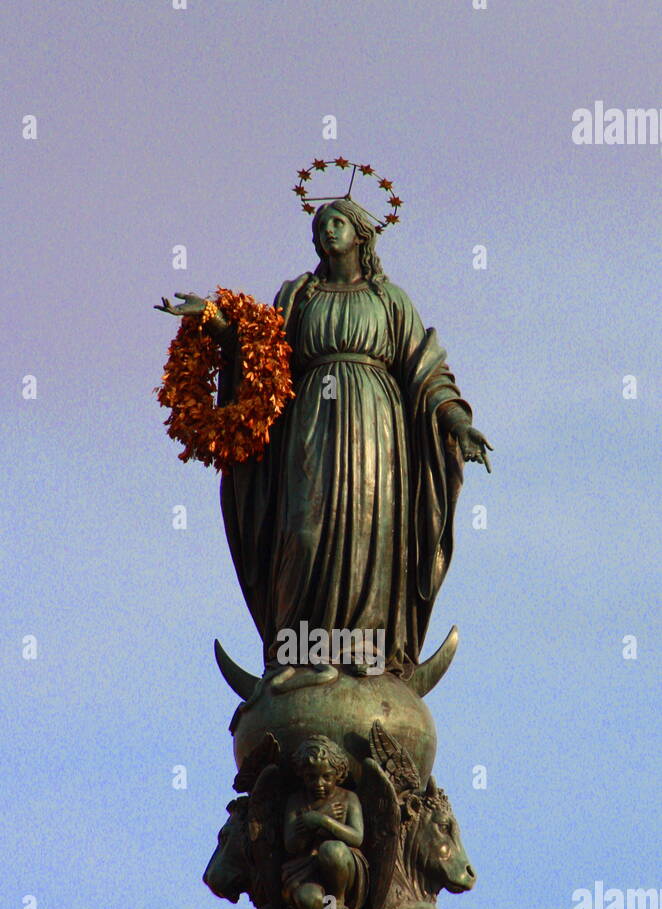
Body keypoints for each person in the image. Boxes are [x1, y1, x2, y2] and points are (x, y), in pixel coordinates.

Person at [157, 198, 492, 674]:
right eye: (320, 225)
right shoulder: (299, 296)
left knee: (371, 529)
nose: (327, 231)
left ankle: (366, 651)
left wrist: (459, 424)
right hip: (312, 420)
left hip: (377, 427)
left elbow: (427, 371)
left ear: (360, 234)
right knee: (304, 528)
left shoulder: (390, 300)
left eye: (337, 222)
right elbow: (261, 360)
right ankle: (298, 650)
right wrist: (214, 320)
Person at [281, 737, 368, 909]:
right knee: (308, 900)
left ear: (339, 774)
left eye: (327, 777)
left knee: (331, 849)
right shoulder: (295, 801)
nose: (319, 783)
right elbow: (291, 845)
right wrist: (312, 822)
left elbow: (357, 837)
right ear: (302, 776)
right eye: (311, 777)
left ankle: (336, 901)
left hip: (342, 867)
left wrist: (323, 820)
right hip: (307, 869)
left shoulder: (348, 798)